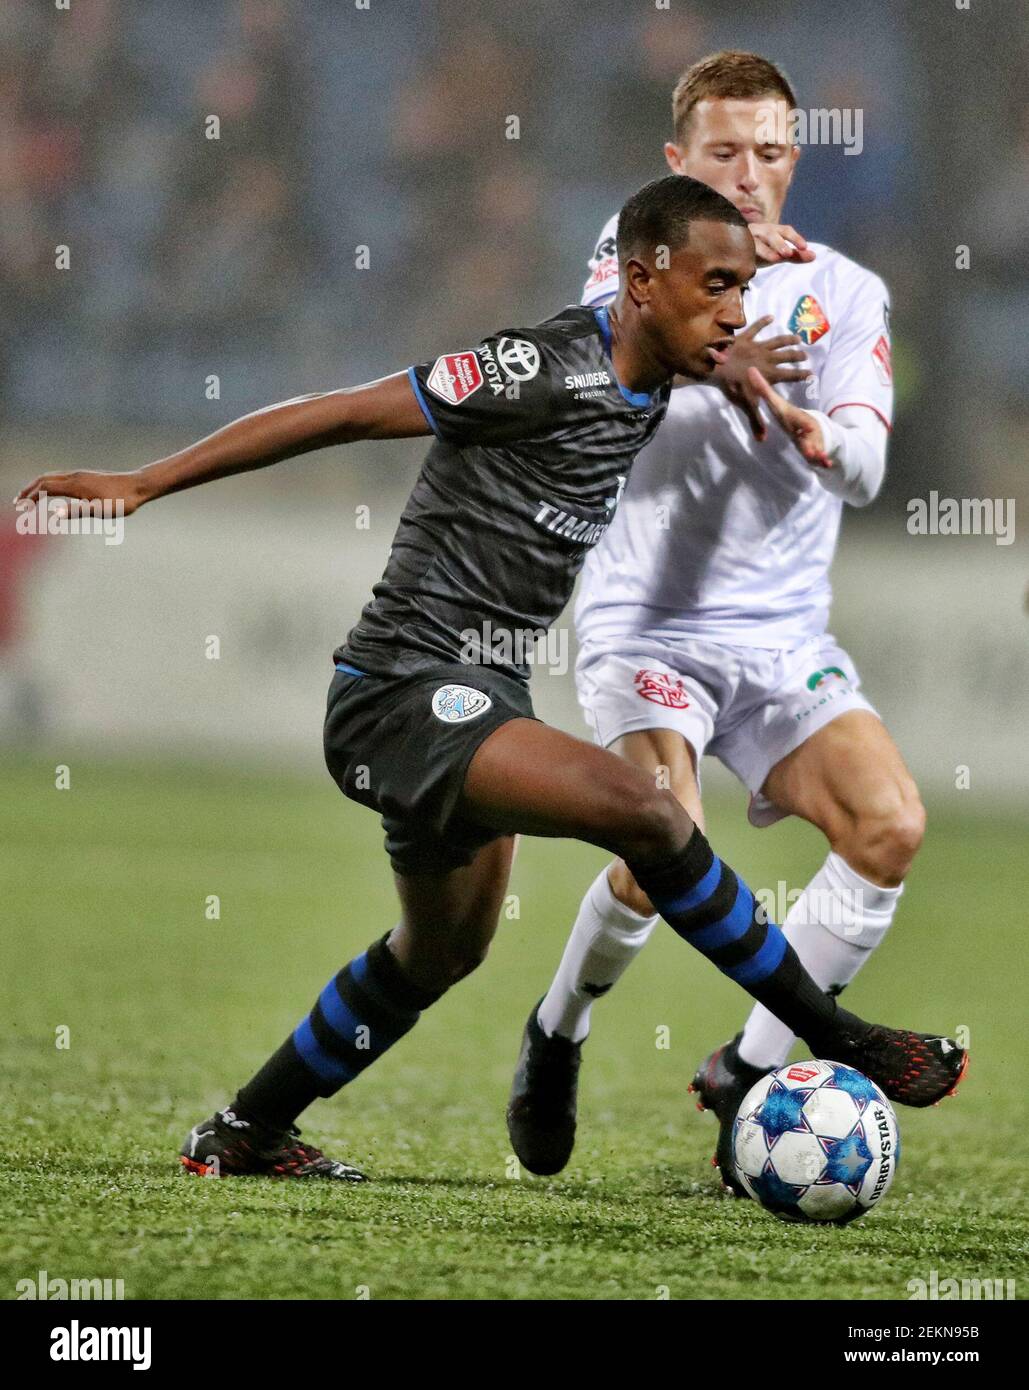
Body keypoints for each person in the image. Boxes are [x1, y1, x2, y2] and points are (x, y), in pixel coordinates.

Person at [17, 175, 964, 1183]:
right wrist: (143, 482)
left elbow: (712, 355)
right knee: (646, 812)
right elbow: (340, 412)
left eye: (744, 289)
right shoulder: (533, 369)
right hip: (399, 688)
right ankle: (841, 1035)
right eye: (718, 285)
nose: (737, 310)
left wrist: (743, 372)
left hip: (482, 692)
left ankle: (246, 1132)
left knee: (441, 953)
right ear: (642, 280)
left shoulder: (669, 366)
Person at [506, 52, 940, 1190]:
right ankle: (556, 1033)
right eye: (724, 153)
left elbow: (868, 465)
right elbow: (607, 361)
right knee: (660, 841)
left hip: (782, 639)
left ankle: (747, 1072)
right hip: (647, 627)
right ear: (678, 162)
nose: (749, 174)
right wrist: (720, 358)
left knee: (889, 826)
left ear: (796, 158)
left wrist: (815, 434)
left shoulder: (846, 291)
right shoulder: (636, 248)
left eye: (771, 152)